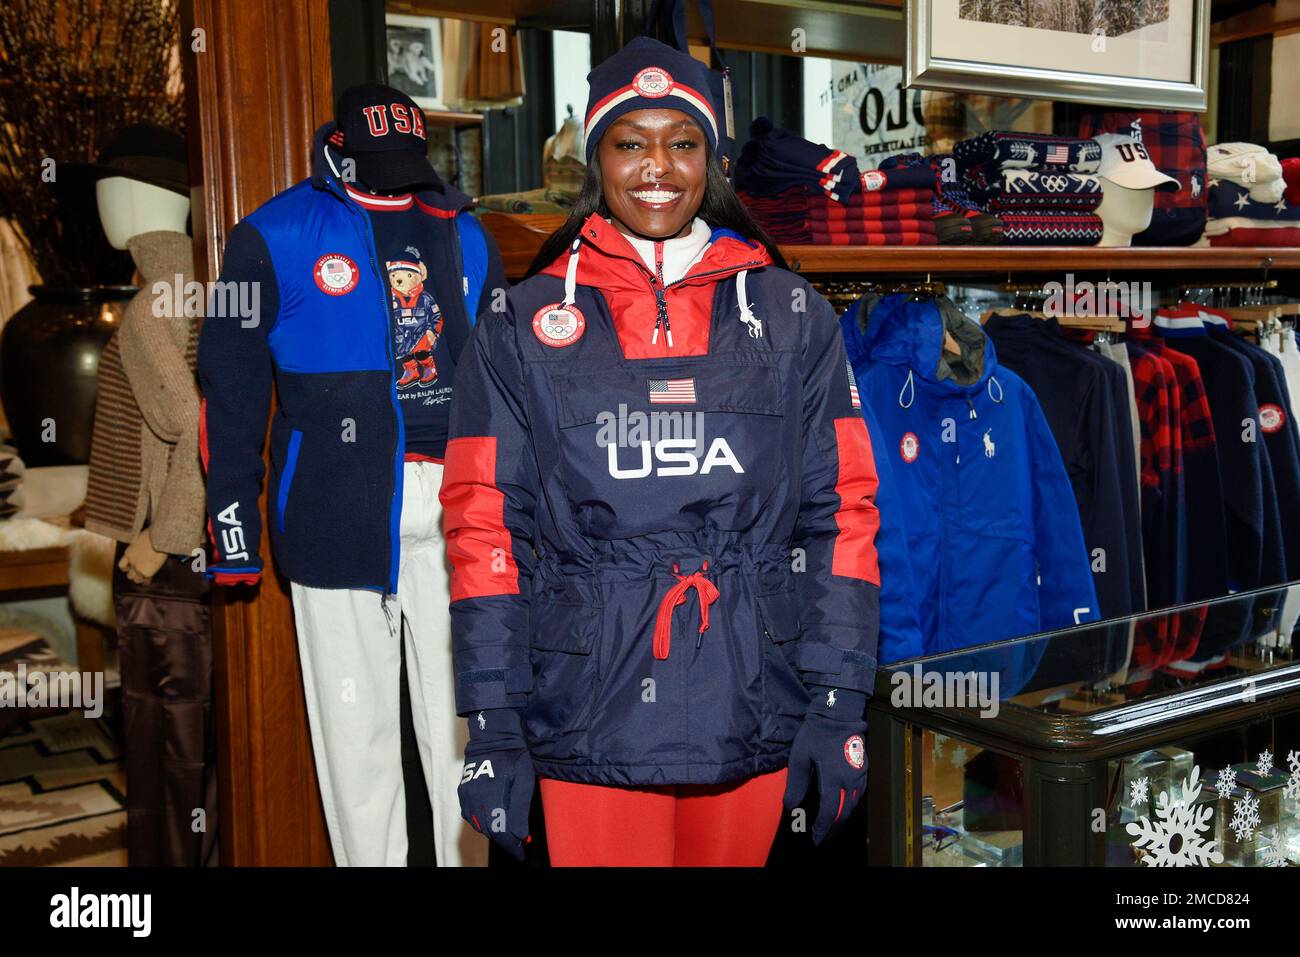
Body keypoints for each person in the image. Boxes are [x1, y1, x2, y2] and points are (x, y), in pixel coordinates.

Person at [441, 37, 881, 867]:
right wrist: (493, 717)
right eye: (630, 141)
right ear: (596, 158)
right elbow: (485, 529)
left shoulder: (791, 313)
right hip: (584, 705)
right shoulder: (519, 321)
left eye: (680, 142)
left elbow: (843, 513)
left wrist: (838, 697)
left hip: (754, 693)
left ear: (710, 158)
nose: (657, 167)